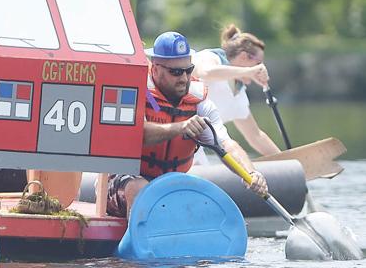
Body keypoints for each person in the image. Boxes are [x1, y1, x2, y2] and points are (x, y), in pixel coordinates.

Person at [107, 31, 269, 218]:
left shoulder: (200, 103)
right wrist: (181, 127)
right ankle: (138, 243)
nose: (183, 78)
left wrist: (250, 173)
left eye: (188, 70)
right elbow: (139, 134)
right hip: (123, 182)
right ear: (156, 69)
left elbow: (226, 144)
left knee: (202, 199)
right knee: (140, 188)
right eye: (175, 72)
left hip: (170, 184)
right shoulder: (135, 90)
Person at [192, 24, 281, 164]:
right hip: (177, 133)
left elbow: (256, 136)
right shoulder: (211, 57)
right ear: (244, 57)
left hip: (196, 145)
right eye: (258, 63)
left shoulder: (237, 92)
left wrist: (289, 162)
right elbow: (206, 72)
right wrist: (249, 72)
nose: (260, 69)